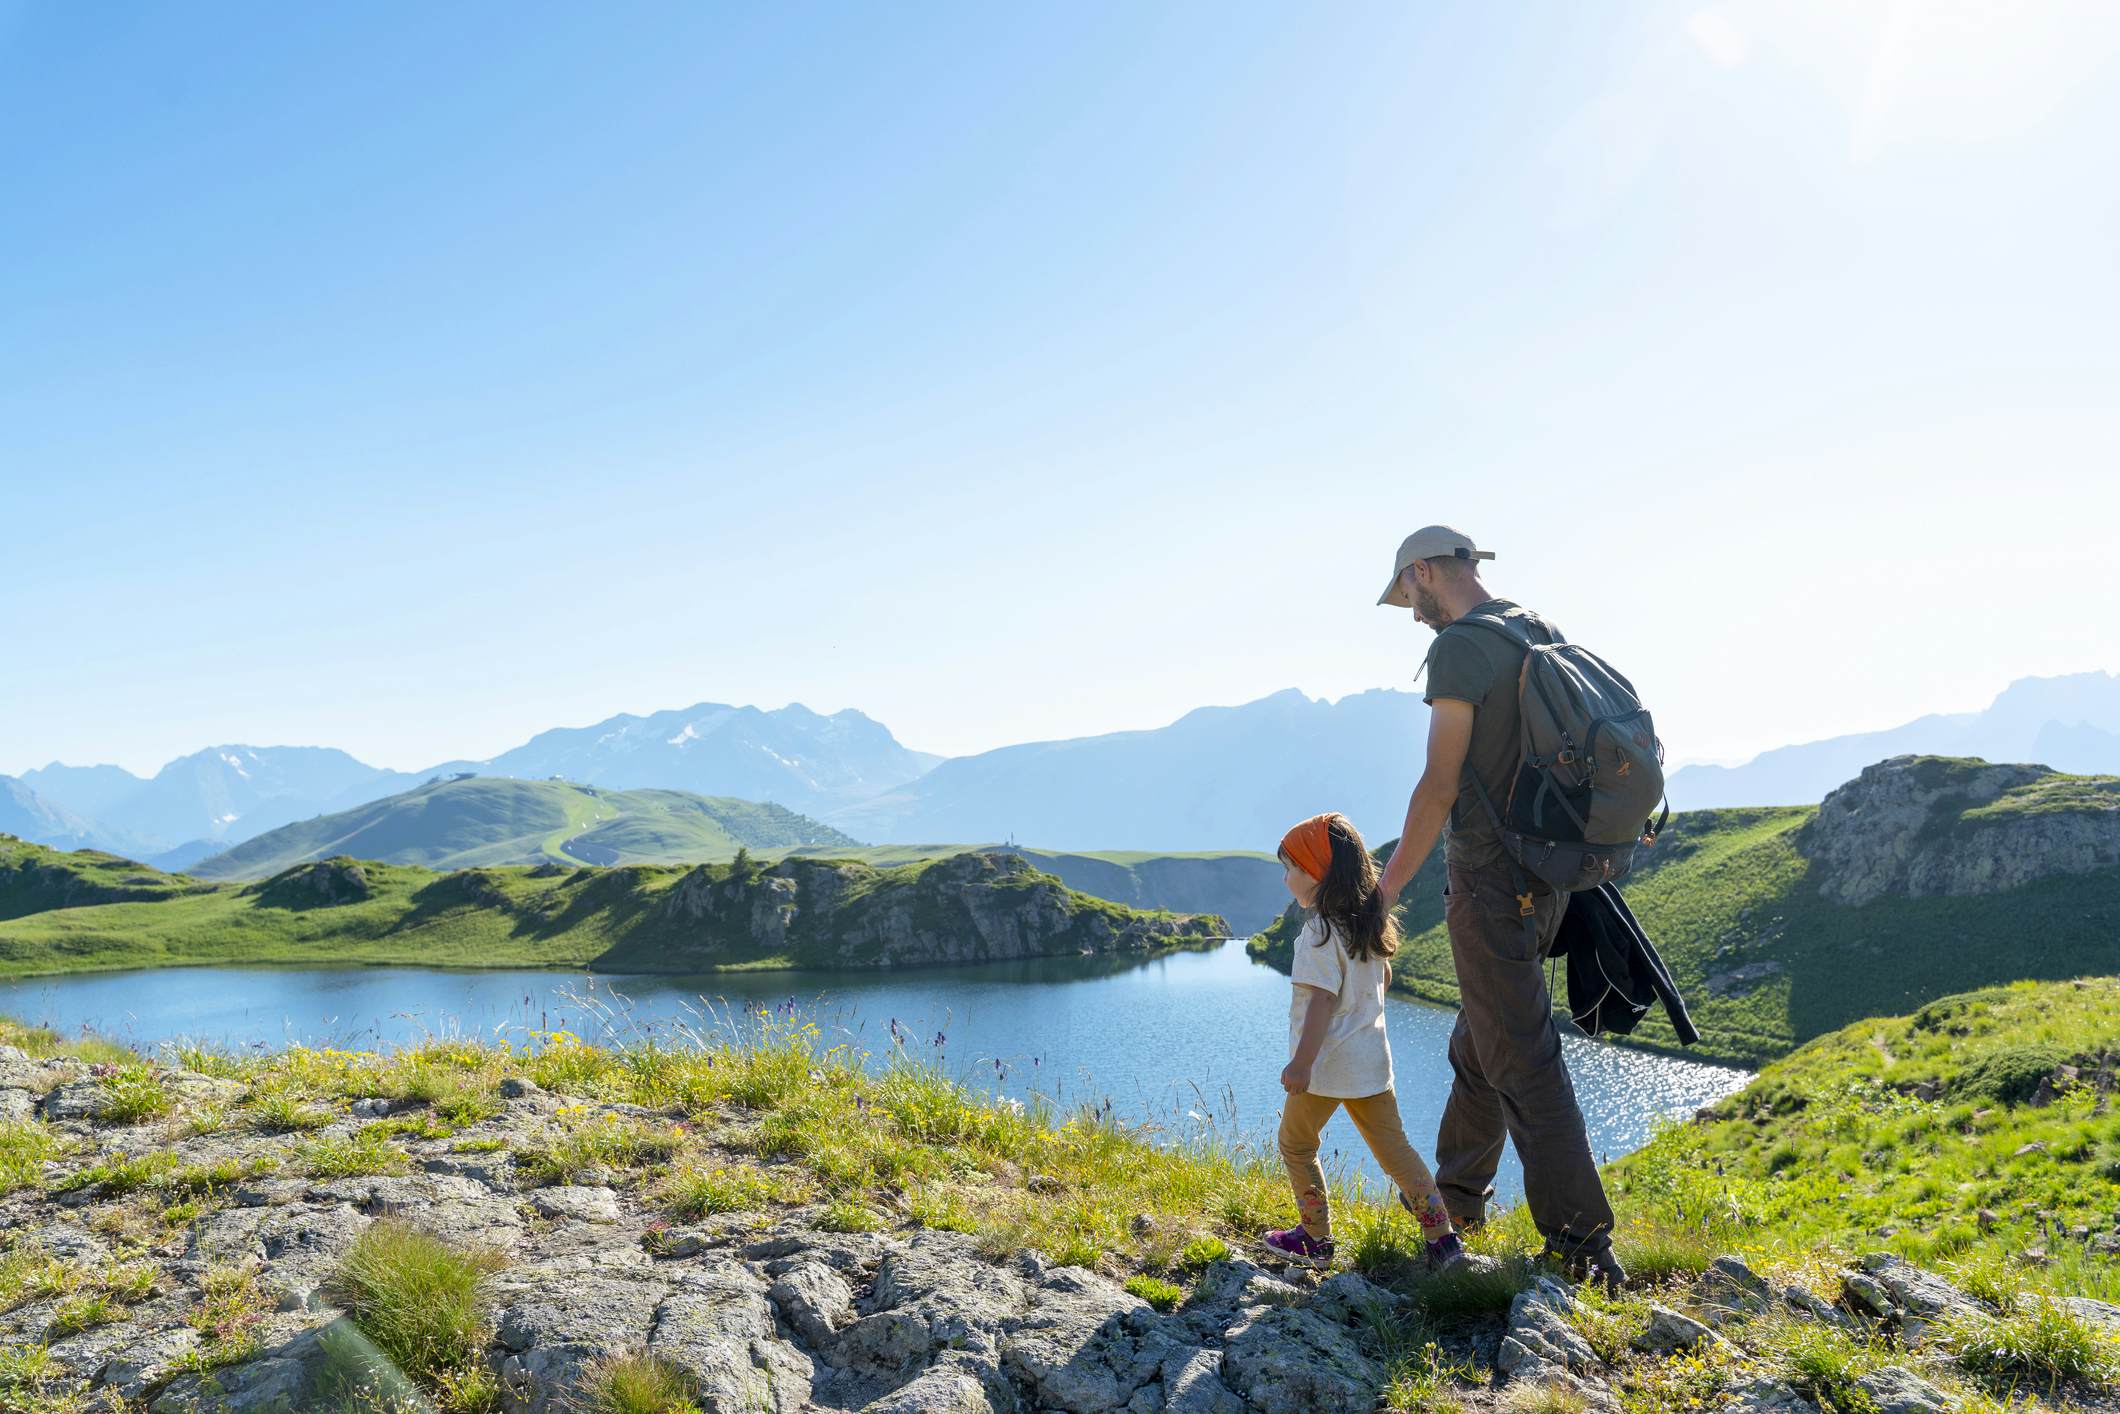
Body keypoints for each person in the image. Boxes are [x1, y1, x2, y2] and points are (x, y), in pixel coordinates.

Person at [1372, 524, 1628, 1290]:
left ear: (1424, 571)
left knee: (1522, 1054)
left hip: (1490, 877)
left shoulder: (1459, 647)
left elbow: (1440, 784)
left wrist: (1382, 891)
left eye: (1407, 594)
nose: (1412, 612)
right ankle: (1454, 1205)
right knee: (1482, 1042)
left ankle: (1584, 1246)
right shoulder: (1537, 627)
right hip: (1551, 873)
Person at [1262, 811, 1468, 1273]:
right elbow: (1385, 977)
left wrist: (1300, 1064)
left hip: (1325, 1070)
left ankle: (1315, 1238)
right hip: (1372, 1065)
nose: (1285, 879)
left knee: (1296, 1145)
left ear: (1317, 875)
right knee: (1397, 1153)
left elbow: (1319, 1005)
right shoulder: (1370, 925)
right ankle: (1442, 1240)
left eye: (1291, 869)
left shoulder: (1316, 935)